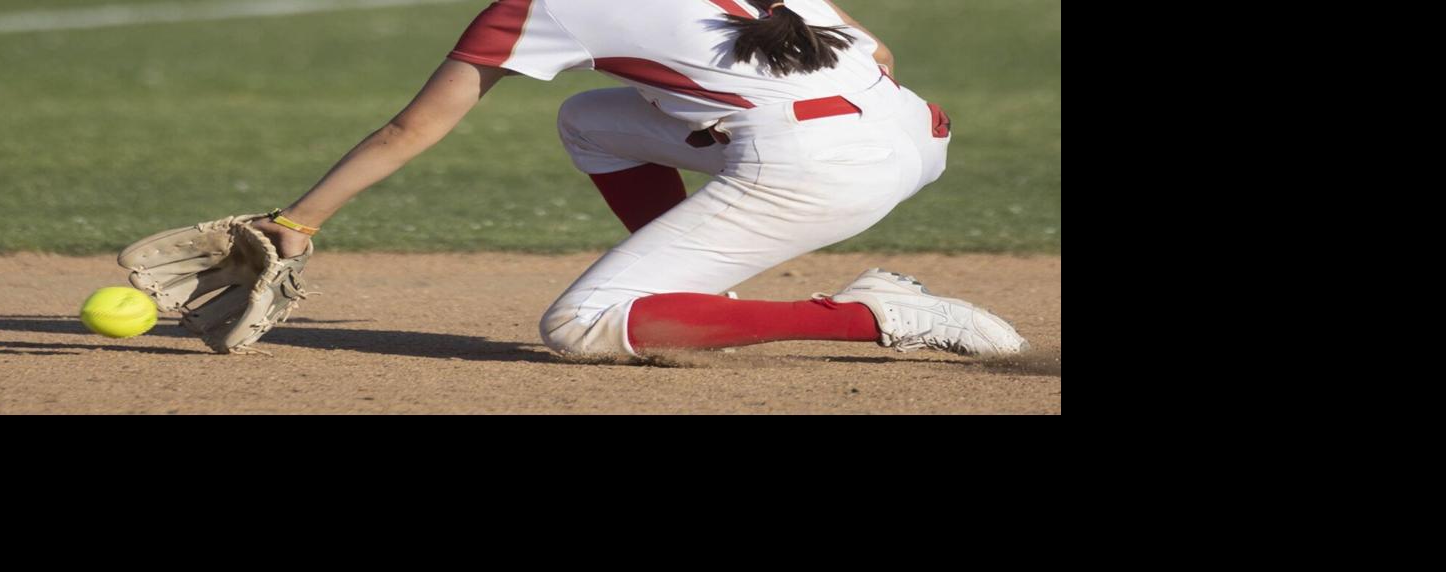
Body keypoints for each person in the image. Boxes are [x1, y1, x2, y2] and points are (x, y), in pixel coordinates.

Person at [254, 0, 1027, 358]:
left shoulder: (536, 6)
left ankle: (875, 317)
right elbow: (878, 53)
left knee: (579, 328)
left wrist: (300, 220)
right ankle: (704, 293)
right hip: (913, 132)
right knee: (590, 119)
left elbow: (410, 130)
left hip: (820, 169)